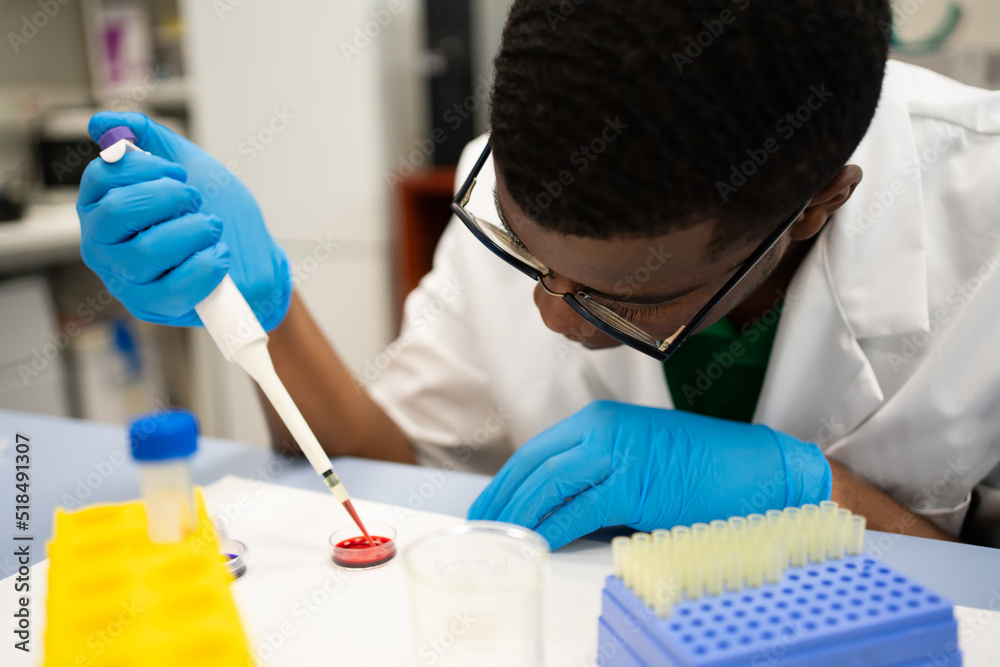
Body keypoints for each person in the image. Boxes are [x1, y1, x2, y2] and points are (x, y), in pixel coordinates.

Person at [76, 0, 1000, 550]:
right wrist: (267, 310)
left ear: (816, 206)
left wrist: (818, 499)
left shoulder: (983, 224)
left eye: (625, 297)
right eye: (522, 247)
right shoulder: (548, 168)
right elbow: (389, 471)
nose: (552, 316)